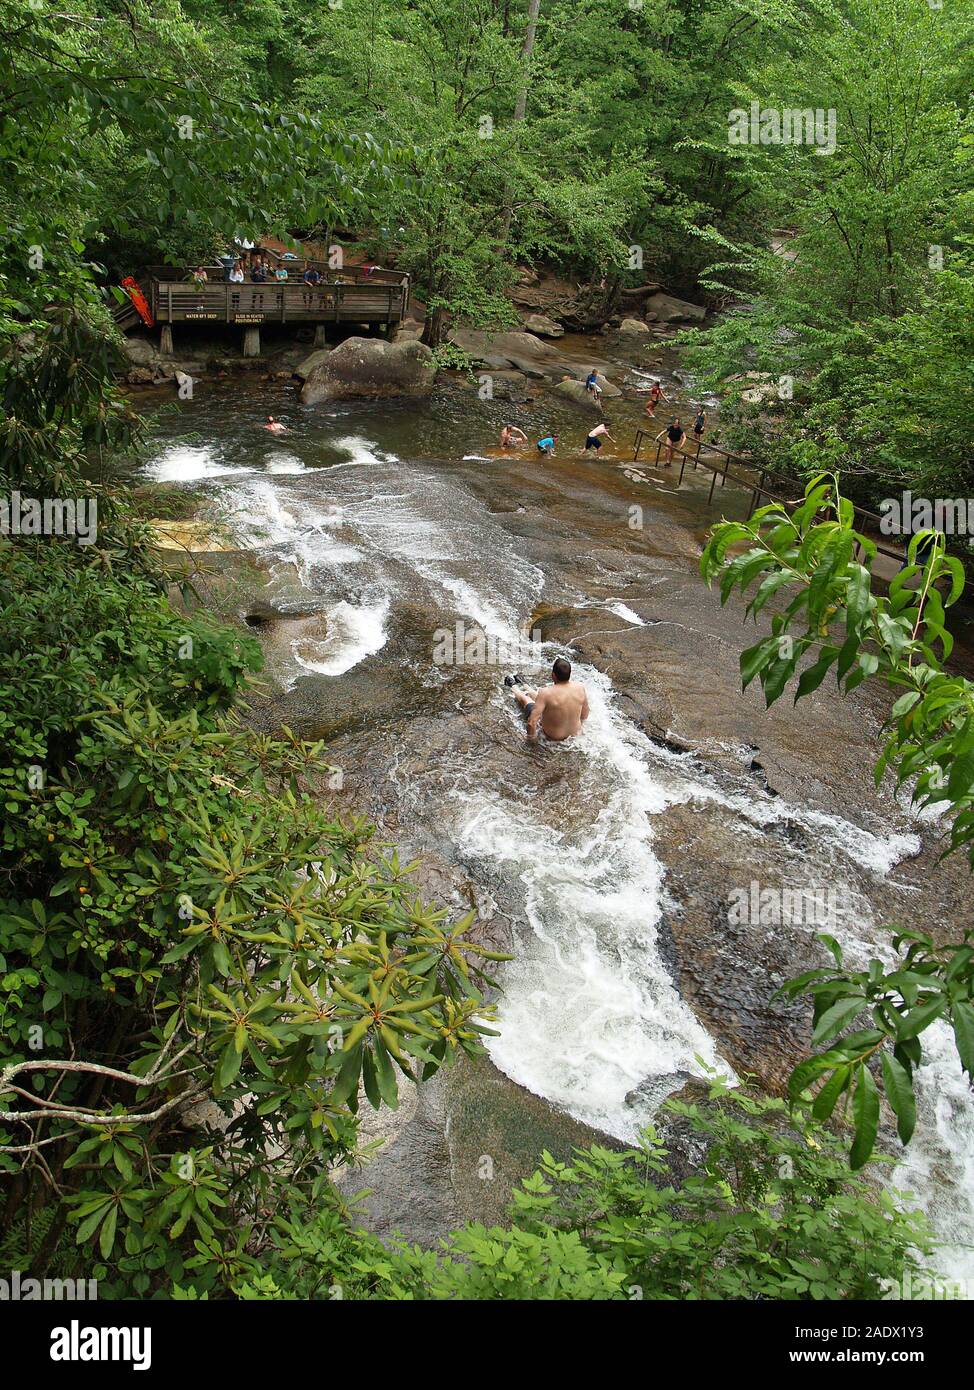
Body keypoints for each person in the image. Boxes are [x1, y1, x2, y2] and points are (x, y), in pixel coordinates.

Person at [505, 659, 590, 742]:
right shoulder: (580, 688)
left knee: (527, 701)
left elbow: (532, 722)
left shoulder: (546, 693)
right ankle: (525, 684)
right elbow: (585, 714)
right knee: (542, 700)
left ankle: (513, 686)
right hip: (574, 736)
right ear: (569, 674)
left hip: (553, 737)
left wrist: (531, 739)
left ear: (553, 675)